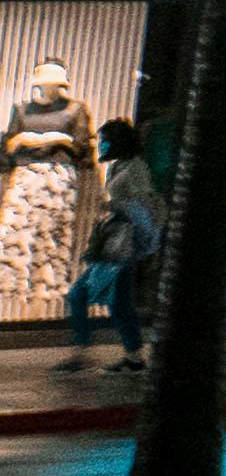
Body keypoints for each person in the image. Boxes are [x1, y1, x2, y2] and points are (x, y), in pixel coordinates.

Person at [84, 132, 164, 366]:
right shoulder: (118, 167)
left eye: (106, 140)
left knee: (113, 298)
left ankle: (132, 355)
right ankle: (132, 355)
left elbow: (142, 206)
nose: (102, 145)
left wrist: (114, 207)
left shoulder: (134, 169)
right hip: (118, 239)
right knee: (118, 299)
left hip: (125, 241)